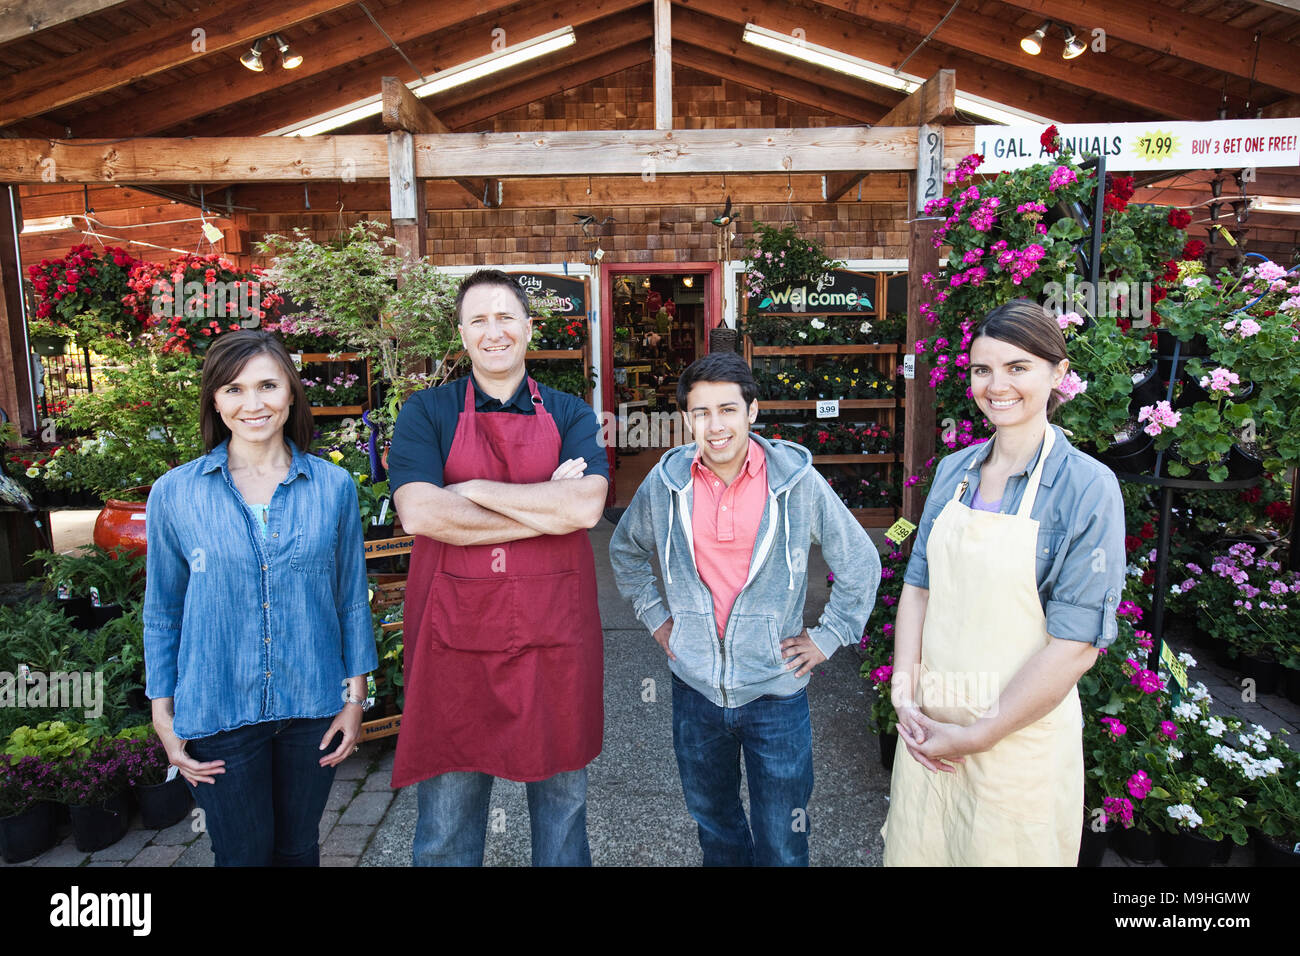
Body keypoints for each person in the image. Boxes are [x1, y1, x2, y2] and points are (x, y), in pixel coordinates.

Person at [609, 351, 879, 866]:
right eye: (701, 412)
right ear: (687, 418)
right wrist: (657, 618)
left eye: (728, 409)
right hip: (695, 691)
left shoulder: (795, 482)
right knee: (716, 826)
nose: (716, 426)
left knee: (782, 840)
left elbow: (861, 560)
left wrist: (829, 636)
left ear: (752, 411)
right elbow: (625, 551)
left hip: (775, 693)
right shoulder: (668, 485)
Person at [881, 298, 1126, 866]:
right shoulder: (953, 470)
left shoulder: (1087, 488)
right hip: (931, 728)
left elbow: (1075, 646)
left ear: (1058, 374)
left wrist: (977, 736)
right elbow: (919, 588)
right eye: (982, 370)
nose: (997, 386)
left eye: (1018, 368)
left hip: (1018, 742)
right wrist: (905, 694)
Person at [387, 268, 608, 867]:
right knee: (446, 824)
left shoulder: (569, 413)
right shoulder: (425, 412)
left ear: (529, 329)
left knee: (563, 816)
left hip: (554, 640)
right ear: (462, 336)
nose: (494, 332)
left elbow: (586, 505)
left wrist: (472, 489)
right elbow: (421, 513)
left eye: (506, 317)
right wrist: (545, 507)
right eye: (479, 320)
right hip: (456, 643)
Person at [143, 330, 378, 867]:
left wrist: (355, 699)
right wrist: (163, 713)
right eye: (233, 389)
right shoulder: (175, 493)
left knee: (298, 850)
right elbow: (162, 612)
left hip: (312, 706)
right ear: (214, 400)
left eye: (268, 385)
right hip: (217, 707)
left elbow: (349, 599)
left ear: (291, 392)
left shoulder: (333, 486)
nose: (253, 404)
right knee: (242, 855)